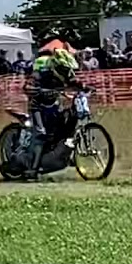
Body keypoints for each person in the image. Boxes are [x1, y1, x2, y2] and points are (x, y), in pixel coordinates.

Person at [25, 48, 87, 178]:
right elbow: (28, 85)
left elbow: (74, 82)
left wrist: (86, 87)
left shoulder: (66, 73)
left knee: (67, 125)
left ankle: (64, 155)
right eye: (64, 69)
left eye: (68, 70)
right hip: (37, 106)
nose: (68, 73)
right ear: (56, 67)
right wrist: (35, 89)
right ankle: (33, 168)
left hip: (54, 105)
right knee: (41, 133)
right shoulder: (41, 72)